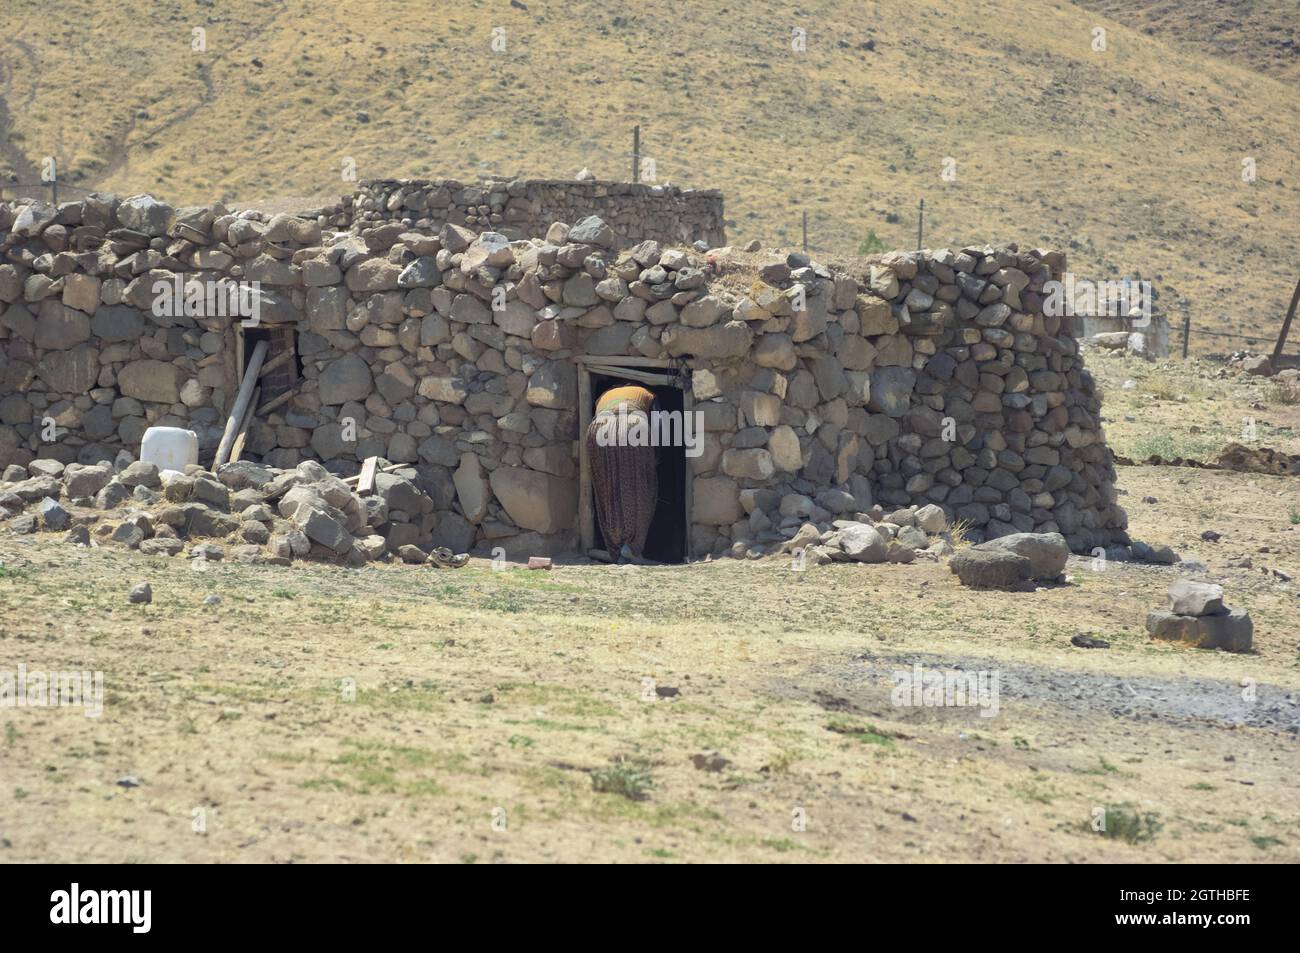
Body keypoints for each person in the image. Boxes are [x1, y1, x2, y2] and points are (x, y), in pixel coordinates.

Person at [586, 383, 658, 563]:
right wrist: (655, 455)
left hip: (599, 426)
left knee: (608, 488)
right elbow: (658, 424)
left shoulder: (603, 396)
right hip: (633, 423)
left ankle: (617, 546)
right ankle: (633, 547)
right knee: (641, 487)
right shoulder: (648, 394)